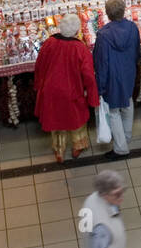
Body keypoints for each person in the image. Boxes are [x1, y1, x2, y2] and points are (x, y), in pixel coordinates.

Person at [33, 12, 99, 163]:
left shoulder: (49, 43)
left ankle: (59, 150)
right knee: (77, 122)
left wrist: (39, 85)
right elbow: (88, 75)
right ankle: (77, 146)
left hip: (51, 90)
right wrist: (93, 98)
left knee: (56, 122)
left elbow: (39, 66)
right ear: (77, 30)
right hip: (72, 92)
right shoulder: (80, 48)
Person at [93, 0, 141, 160]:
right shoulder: (133, 27)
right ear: (124, 10)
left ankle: (121, 148)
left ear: (107, 14)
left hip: (113, 77)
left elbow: (101, 63)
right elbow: (136, 52)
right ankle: (126, 137)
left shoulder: (103, 35)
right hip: (128, 72)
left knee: (113, 111)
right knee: (128, 104)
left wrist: (100, 86)